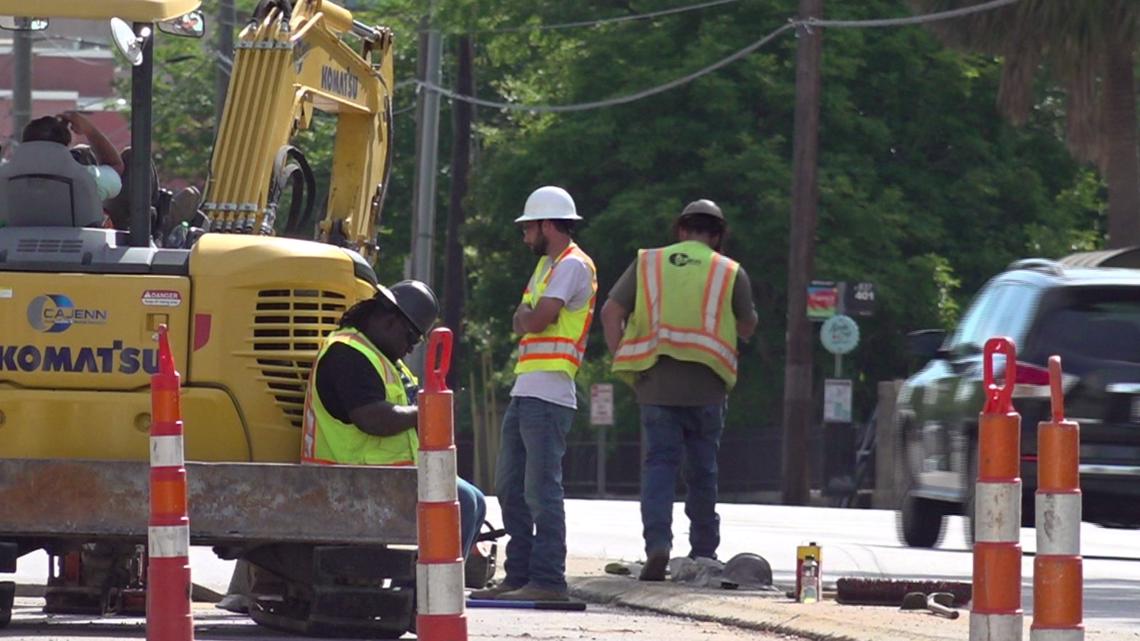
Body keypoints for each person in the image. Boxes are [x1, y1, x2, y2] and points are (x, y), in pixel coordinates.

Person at [218, 280, 486, 614]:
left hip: (383, 476)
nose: (410, 349)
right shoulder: (348, 354)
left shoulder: (381, 357)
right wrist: (425, 412)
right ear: (390, 321)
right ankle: (425, 603)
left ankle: (421, 596)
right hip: (355, 481)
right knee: (464, 502)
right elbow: (371, 418)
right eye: (411, 338)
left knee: (474, 501)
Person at [600, 199, 758, 581]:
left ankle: (658, 544)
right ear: (718, 235)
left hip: (655, 383)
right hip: (707, 387)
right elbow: (748, 326)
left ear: (681, 230)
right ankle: (703, 551)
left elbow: (610, 312)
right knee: (703, 471)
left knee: (659, 465)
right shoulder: (729, 271)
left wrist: (625, 357)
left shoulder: (648, 263)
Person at [470, 186, 597, 602]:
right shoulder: (547, 265)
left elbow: (537, 317)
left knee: (541, 491)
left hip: (551, 395)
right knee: (509, 486)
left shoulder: (574, 265)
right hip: (527, 390)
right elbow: (518, 319)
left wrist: (528, 317)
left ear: (547, 224)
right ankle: (520, 575)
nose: (525, 235)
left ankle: (548, 580)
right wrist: (527, 318)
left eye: (528, 227)